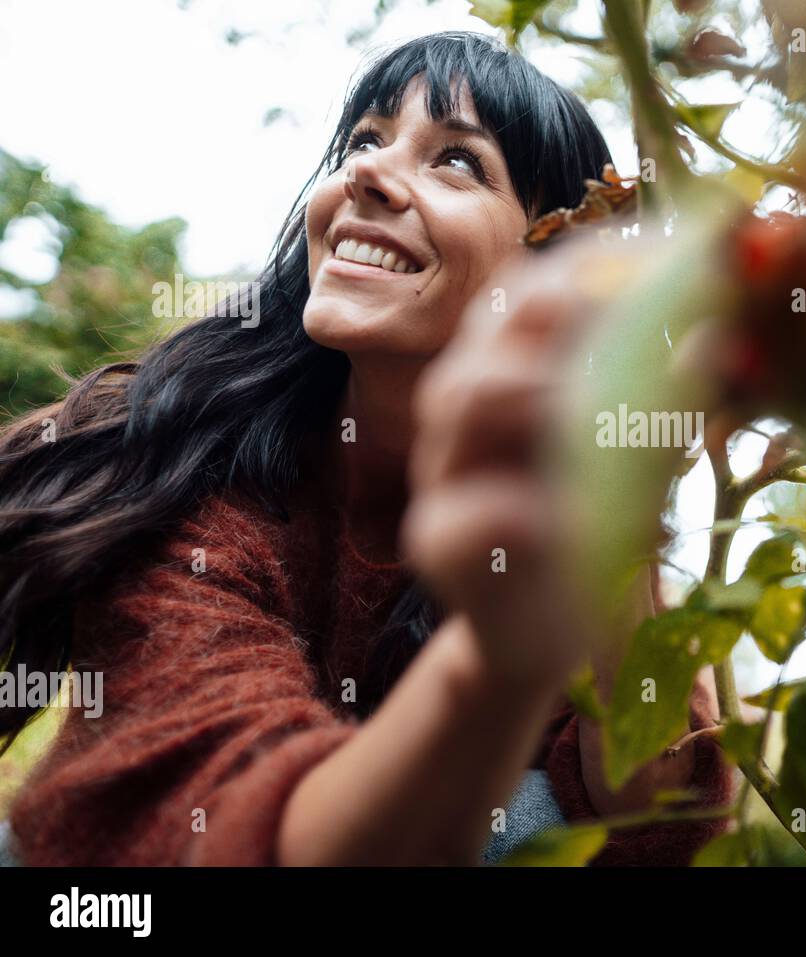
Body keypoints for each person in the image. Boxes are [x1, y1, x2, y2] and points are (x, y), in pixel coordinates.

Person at [0, 31, 732, 866]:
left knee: (549, 820)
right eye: (364, 141)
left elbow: (656, 809)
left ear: (557, 278)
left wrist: (615, 513)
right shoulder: (195, 483)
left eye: (457, 161)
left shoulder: (550, 522)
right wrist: (495, 663)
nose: (366, 174)